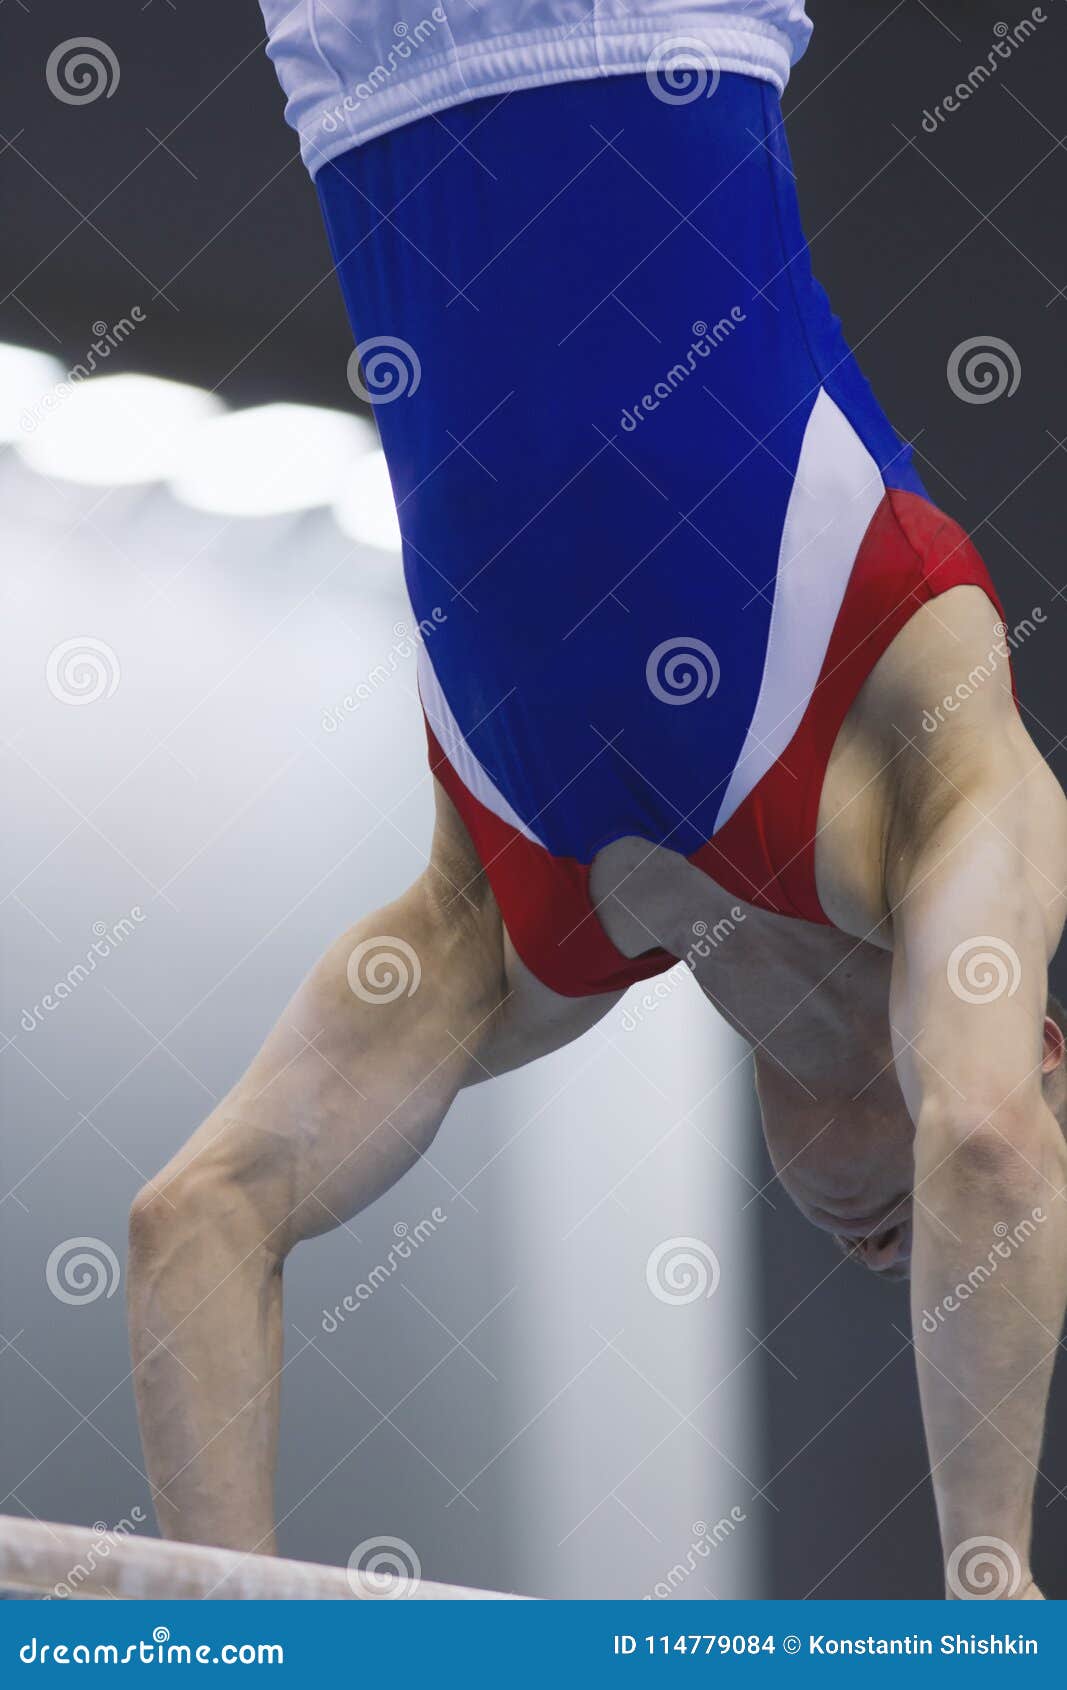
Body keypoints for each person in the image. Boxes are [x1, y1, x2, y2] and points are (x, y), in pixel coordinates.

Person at [127, 1, 1067, 1599]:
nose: (889, 1240)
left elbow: (193, 1218)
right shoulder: (947, 777)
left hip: (355, 64)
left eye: (898, 1250)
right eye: (927, 1236)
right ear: (1041, 1042)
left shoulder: (512, 926)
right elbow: (981, 1133)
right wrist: (992, 1594)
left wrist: (246, 1637)